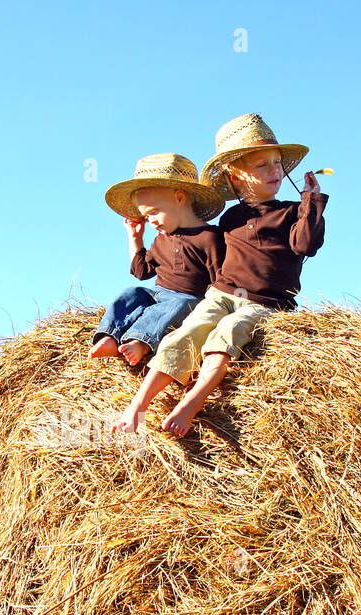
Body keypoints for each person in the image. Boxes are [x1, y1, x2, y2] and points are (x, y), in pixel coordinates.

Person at [112, 115, 328, 435]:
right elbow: (213, 261)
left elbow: (306, 245)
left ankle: (191, 403)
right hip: (222, 293)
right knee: (185, 334)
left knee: (228, 333)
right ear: (235, 175)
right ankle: (137, 407)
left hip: (264, 303)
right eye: (262, 165)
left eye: (278, 162)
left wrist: (311, 201)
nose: (275, 171)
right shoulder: (231, 218)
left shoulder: (292, 212)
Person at [91, 153, 225, 367]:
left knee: (179, 304)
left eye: (154, 212)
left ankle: (140, 341)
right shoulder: (161, 239)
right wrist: (135, 237)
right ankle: (109, 335)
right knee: (131, 293)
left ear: (180, 198)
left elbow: (219, 277)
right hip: (156, 294)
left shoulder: (209, 237)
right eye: (146, 216)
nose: (151, 221)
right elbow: (142, 271)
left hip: (186, 298)